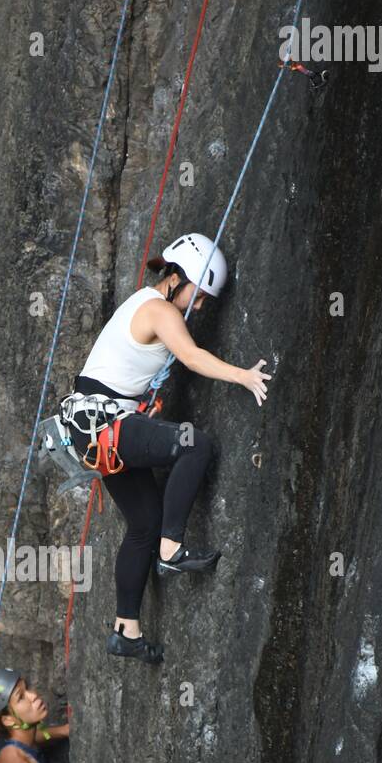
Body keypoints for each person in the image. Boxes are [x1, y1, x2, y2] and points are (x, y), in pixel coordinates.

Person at [63, 231, 271, 664]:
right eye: (198, 296)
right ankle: (172, 549)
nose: (198, 308)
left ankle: (126, 629)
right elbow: (193, 357)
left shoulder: (144, 303)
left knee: (143, 523)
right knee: (196, 446)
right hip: (104, 426)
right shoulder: (158, 309)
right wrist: (244, 376)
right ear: (177, 279)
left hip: (94, 427)